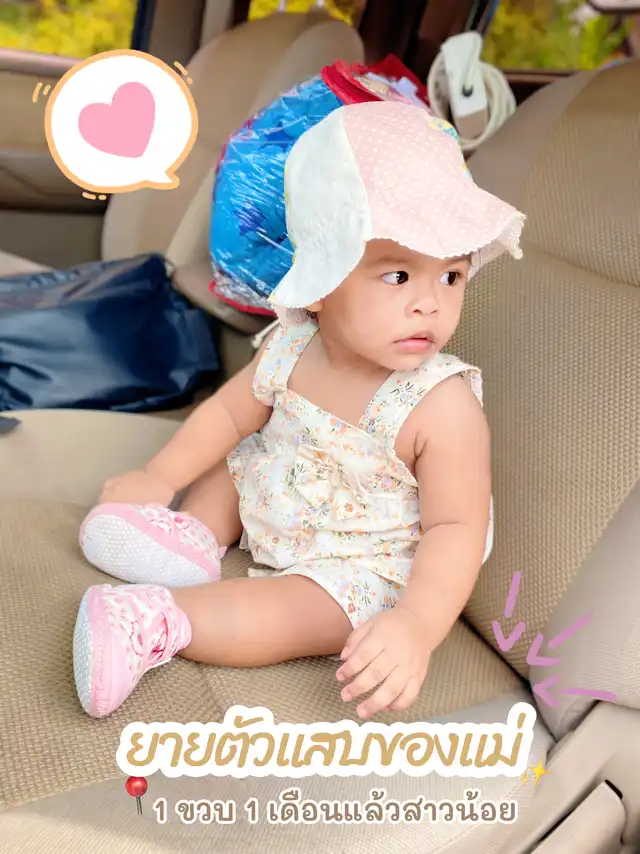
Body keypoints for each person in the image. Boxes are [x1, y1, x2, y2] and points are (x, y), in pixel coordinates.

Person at [73, 100, 525, 721]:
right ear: (319, 284)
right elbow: (227, 417)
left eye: (451, 277)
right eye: (398, 276)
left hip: (358, 566)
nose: (430, 303)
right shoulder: (290, 345)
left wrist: (417, 625)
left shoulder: (442, 406)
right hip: (278, 492)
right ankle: (194, 539)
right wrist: (159, 477)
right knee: (237, 458)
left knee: (298, 613)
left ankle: (154, 619)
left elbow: (456, 528)